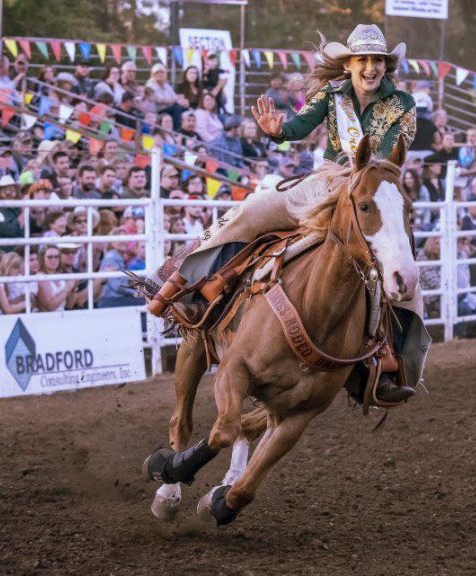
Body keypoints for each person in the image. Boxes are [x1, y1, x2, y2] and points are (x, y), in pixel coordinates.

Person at [138, 24, 428, 403]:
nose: (371, 67)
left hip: (375, 191)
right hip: (327, 182)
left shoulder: (403, 103)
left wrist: (367, 176)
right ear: (349, 64)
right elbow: (299, 124)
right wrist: (278, 131)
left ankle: (388, 363)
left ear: (386, 66)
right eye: (363, 60)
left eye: (378, 61)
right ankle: (179, 278)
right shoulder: (331, 95)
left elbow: (390, 152)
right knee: (251, 210)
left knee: (404, 275)